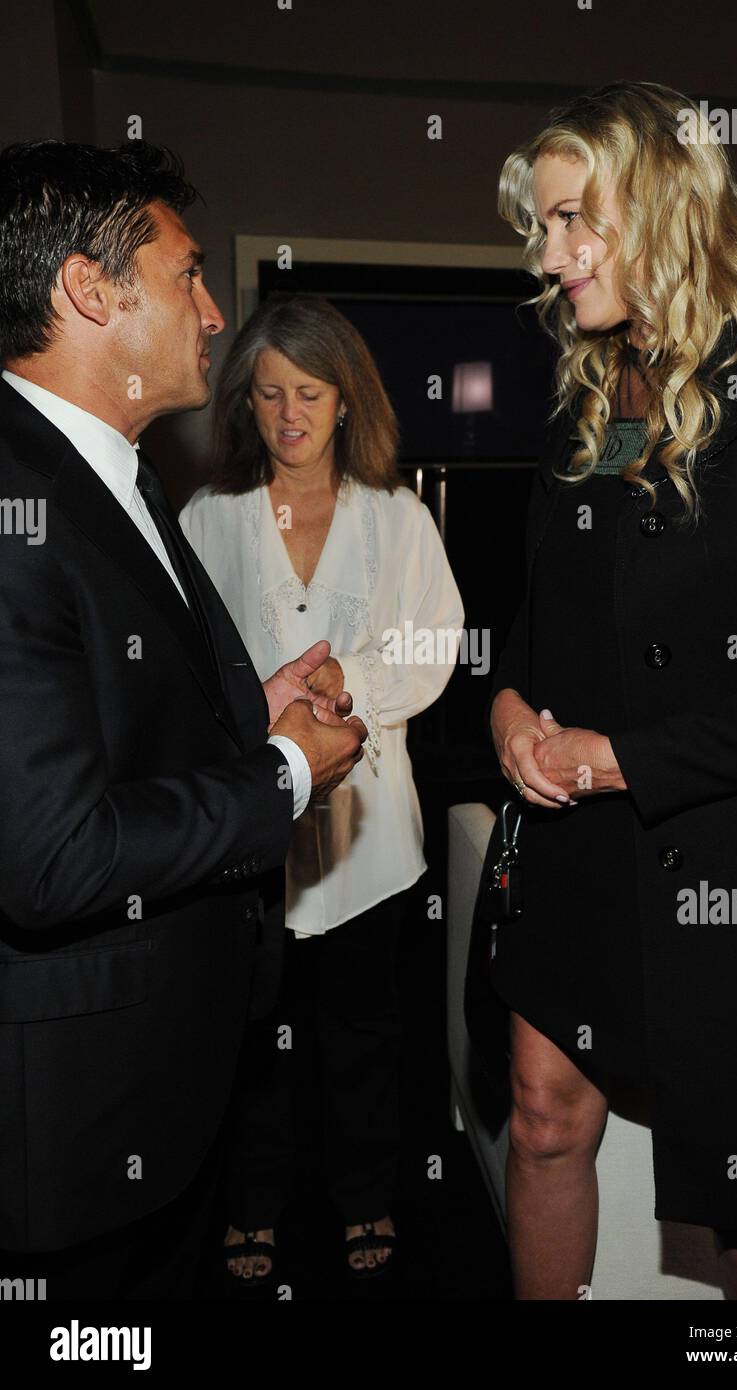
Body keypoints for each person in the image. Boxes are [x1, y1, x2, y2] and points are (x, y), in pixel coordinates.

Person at [466, 80, 737, 1300]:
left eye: (577, 218)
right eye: (541, 226)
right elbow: (540, 625)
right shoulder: (589, 399)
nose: (552, 254)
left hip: (735, 856)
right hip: (579, 847)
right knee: (542, 1116)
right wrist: (505, 703)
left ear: (665, 207)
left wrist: (616, 760)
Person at [0, 140, 367, 1299]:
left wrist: (246, 707)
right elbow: (50, 857)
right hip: (77, 1121)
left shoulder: (115, 472)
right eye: (186, 275)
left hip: (161, 1078)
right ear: (87, 291)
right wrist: (282, 774)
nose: (214, 314)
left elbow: (102, 724)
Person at [180, 294, 464, 1280]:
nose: (288, 414)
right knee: (247, 1033)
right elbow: (179, 674)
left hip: (368, 833)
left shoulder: (397, 517)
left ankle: (363, 1200)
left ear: (348, 402)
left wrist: (357, 681)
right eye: (267, 394)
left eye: (308, 392)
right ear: (245, 407)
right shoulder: (206, 520)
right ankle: (251, 1202)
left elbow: (434, 645)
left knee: (362, 1033)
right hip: (249, 828)